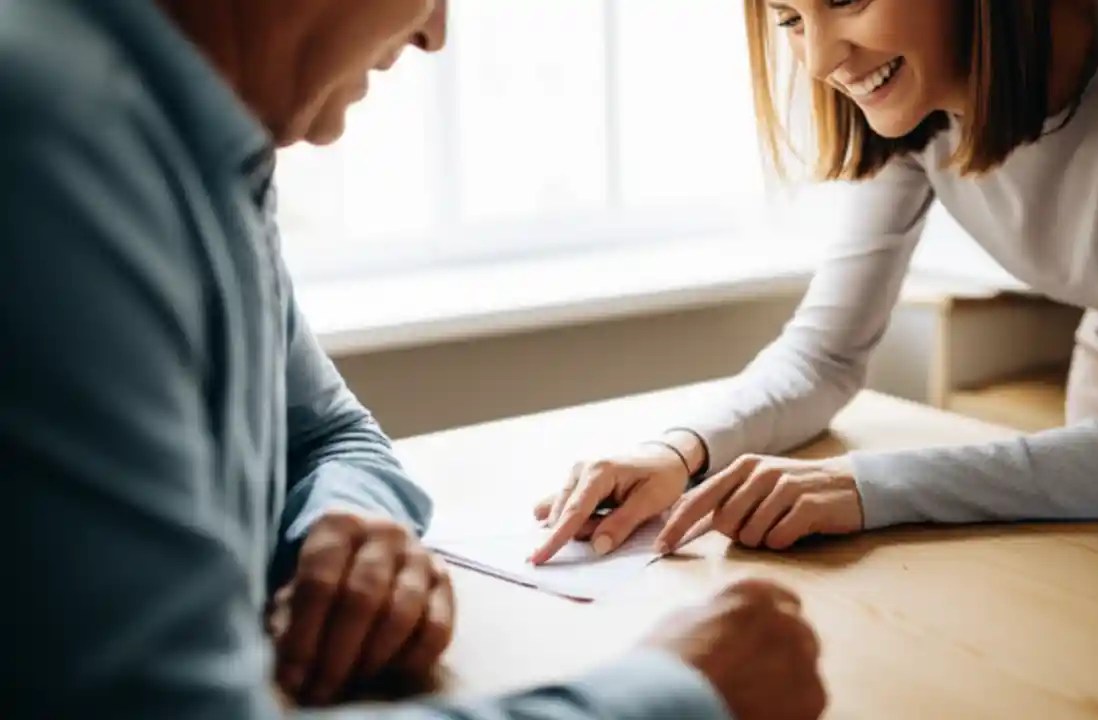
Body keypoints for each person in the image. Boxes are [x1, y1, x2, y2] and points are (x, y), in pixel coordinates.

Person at [0, 0, 828, 718]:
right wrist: (676, 696)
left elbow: (335, 437)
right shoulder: (47, 136)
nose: (435, 33)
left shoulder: (204, 152)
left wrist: (343, 530)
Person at [530, 0, 1098, 564]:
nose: (821, 57)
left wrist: (866, 487)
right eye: (791, 16)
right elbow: (822, 358)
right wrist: (681, 451)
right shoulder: (915, 105)